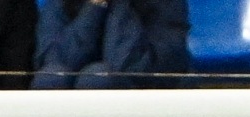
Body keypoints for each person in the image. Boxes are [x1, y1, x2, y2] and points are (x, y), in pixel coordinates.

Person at [31, 0, 189, 88]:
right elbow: (55, 62)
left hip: (144, 97)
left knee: (97, 78)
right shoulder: (60, 4)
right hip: (84, 89)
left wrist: (120, 5)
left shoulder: (165, 5)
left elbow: (127, 66)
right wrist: (95, 6)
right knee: (51, 79)